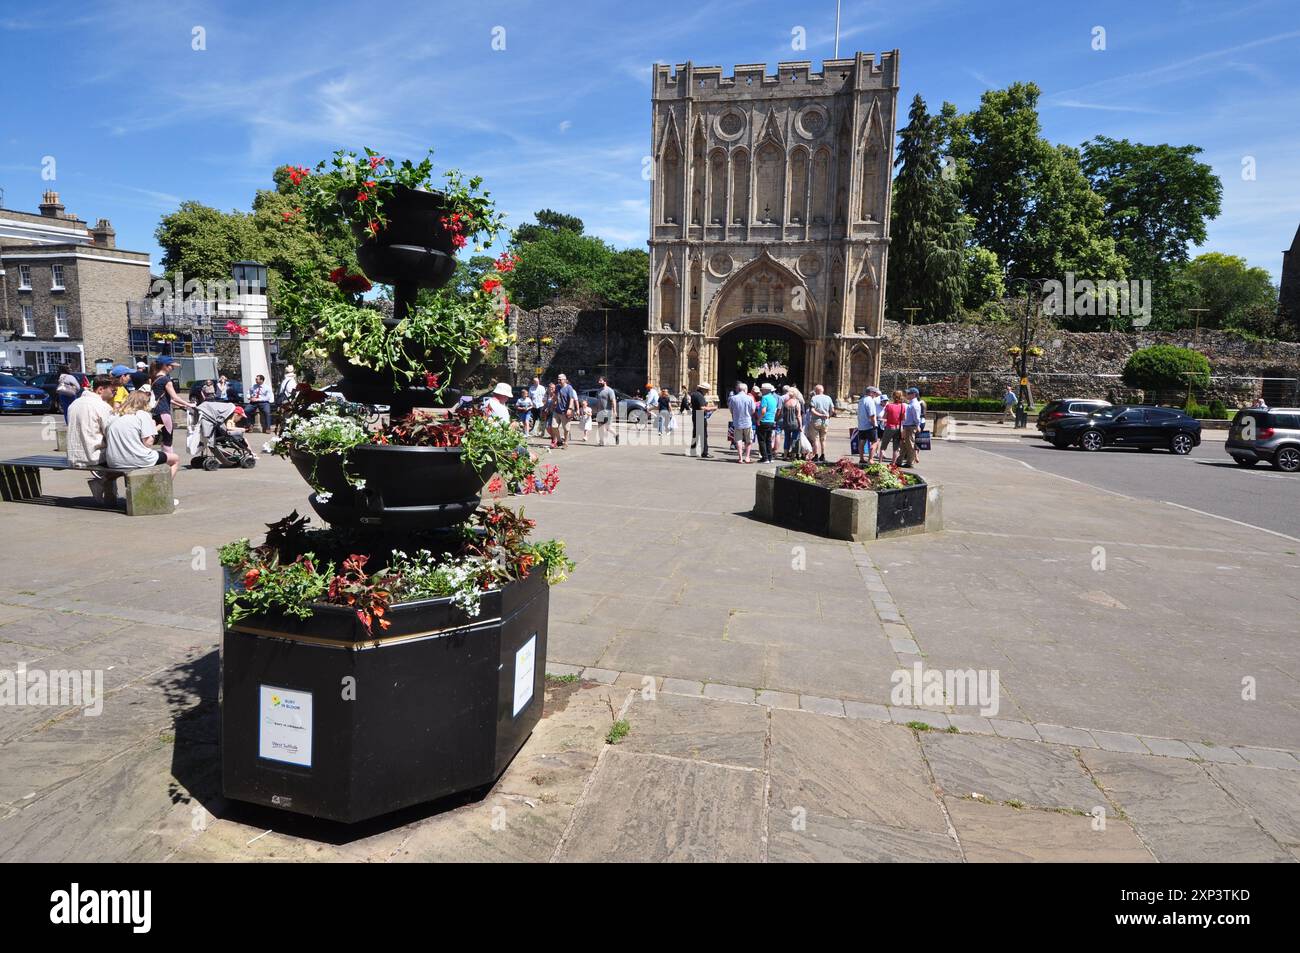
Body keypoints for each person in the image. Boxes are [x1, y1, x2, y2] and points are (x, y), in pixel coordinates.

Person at [105, 389, 180, 480]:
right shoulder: (142, 414)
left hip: (113, 460)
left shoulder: (115, 415)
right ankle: (162, 487)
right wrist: (153, 429)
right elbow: (148, 443)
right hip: (138, 459)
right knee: (175, 459)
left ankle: (109, 492)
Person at [67, 375, 118, 502]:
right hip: (94, 456)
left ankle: (108, 492)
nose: (114, 394)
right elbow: (112, 433)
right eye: (113, 390)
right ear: (100, 389)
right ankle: (105, 487)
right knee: (129, 458)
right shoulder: (102, 406)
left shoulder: (74, 403)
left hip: (74, 456)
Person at [151, 357, 193, 451]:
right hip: (164, 412)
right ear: (164, 366)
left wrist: (182, 405)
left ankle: (163, 456)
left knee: (157, 436)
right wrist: (189, 404)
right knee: (168, 438)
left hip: (155, 412)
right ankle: (170, 459)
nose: (173, 368)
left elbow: (166, 398)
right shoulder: (166, 380)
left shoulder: (154, 378)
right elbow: (175, 397)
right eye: (171, 366)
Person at [727, 382, 755, 464]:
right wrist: (748, 414)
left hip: (737, 422)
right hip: (747, 422)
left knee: (738, 440)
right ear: (745, 390)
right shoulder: (749, 398)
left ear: (738, 389)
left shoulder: (733, 398)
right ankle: (747, 457)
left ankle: (740, 458)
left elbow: (731, 410)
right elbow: (753, 410)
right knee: (748, 440)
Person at [807, 384, 834, 462]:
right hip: (825, 421)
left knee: (815, 439)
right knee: (823, 440)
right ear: (823, 390)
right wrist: (828, 416)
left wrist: (820, 415)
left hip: (816, 421)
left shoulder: (814, 398)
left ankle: (816, 455)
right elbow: (832, 410)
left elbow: (812, 410)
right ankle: (823, 455)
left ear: (816, 391)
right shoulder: (828, 398)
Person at [880, 391, 906, 464]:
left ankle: (880, 463)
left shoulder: (889, 406)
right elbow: (903, 419)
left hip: (889, 427)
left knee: (883, 447)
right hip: (898, 428)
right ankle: (893, 464)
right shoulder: (902, 406)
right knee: (896, 448)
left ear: (893, 397)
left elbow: (884, 417)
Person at [857, 386, 881, 465]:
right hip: (869, 425)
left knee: (862, 441)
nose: (875, 394)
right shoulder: (870, 400)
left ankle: (861, 458)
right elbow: (872, 414)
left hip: (861, 425)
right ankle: (870, 459)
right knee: (874, 441)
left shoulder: (861, 400)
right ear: (870, 393)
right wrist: (874, 425)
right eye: (874, 393)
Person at [900, 387, 923, 468]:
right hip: (908, 426)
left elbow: (916, 417)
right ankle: (903, 461)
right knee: (905, 444)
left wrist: (918, 425)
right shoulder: (912, 403)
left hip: (910, 426)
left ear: (914, 394)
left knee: (910, 445)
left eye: (909, 393)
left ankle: (910, 462)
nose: (907, 395)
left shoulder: (914, 404)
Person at [756, 382, 779, 463]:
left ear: (765, 390)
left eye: (762, 389)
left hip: (764, 421)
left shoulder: (764, 398)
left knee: (762, 440)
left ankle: (764, 458)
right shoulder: (773, 398)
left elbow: (763, 411)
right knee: (768, 440)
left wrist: (758, 419)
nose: (761, 390)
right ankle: (770, 457)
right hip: (771, 421)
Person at [690, 382, 715, 458]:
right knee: (703, 435)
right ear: (703, 389)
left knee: (696, 434)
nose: (707, 392)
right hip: (700, 415)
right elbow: (702, 408)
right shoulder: (700, 396)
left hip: (695, 414)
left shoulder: (694, 394)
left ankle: (693, 451)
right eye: (707, 390)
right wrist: (713, 408)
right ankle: (705, 452)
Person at [554, 373, 578, 448]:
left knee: (566, 429)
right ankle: (559, 440)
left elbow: (572, 399)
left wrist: (570, 409)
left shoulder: (569, 388)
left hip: (565, 411)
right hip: (557, 410)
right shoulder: (557, 387)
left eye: (560, 379)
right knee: (554, 426)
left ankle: (566, 442)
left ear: (565, 380)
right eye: (558, 379)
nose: (559, 380)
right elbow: (555, 396)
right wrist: (552, 404)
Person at [781, 387, 804, 460]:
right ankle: (793, 456)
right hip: (795, 424)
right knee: (794, 439)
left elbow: (782, 413)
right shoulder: (797, 402)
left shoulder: (785, 402)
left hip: (786, 423)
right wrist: (800, 425)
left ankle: (785, 455)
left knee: (786, 439)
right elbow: (799, 415)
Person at [595, 376, 619, 446]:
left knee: (607, 427)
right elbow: (598, 401)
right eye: (599, 381)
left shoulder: (610, 390)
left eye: (600, 381)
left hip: (608, 411)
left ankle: (616, 435)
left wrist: (615, 411)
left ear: (605, 382)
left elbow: (613, 401)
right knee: (600, 426)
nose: (599, 382)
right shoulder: (599, 390)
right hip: (600, 412)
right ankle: (601, 441)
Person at [543, 382, 563, 449]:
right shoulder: (548, 395)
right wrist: (544, 409)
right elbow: (546, 404)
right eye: (550, 388)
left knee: (552, 427)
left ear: (555, 389)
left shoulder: (556, 395)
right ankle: (555, 438)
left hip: (555, 413)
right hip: (549, 413)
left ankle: (554, 441)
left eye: (552, 388)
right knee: (547, 427)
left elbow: (557, 404)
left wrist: (553, 406)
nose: (551, 389)